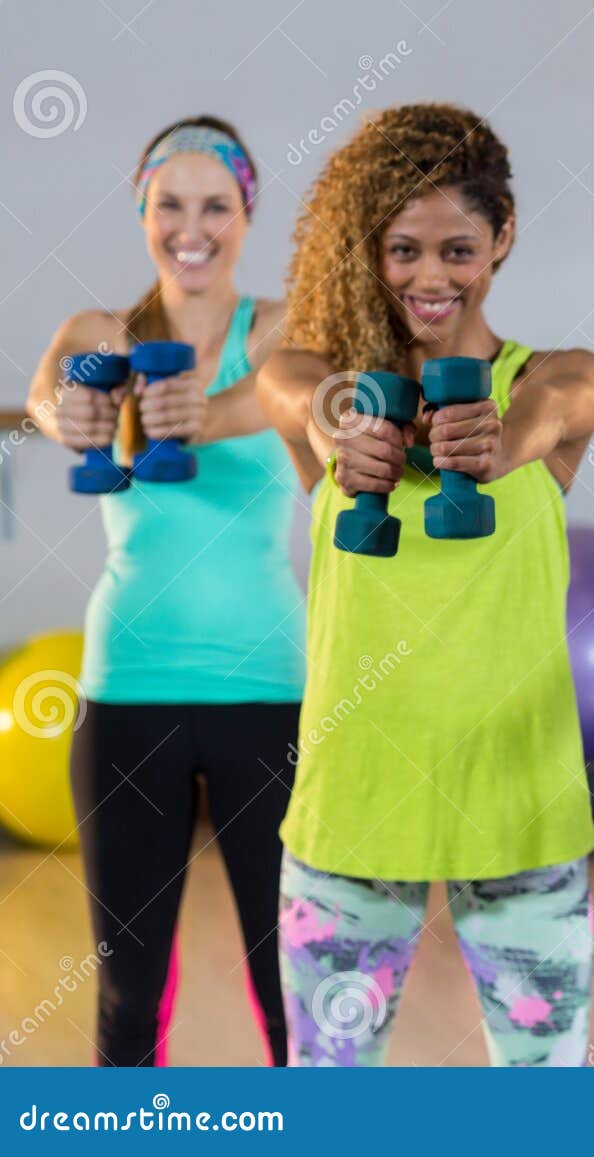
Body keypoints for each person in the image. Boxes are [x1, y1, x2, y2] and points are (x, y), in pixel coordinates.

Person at [258, 104, 594, 1066]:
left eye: (458, 248)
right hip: (354, 806)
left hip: (521, 801)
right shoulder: (315, 380)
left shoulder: (554, 380)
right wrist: (342, 431)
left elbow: (563, 401)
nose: (429, 276)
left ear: (501, 238)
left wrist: (502, 439)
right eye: (401, 249)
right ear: (366, 249)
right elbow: (293, 387)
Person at [25, 115, 300, 1066]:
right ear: (142, 209)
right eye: (170, 203)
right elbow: (47, 394)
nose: (193, 227)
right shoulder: (103, 334)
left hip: (270, 693)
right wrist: (73, 409)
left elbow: (313, 392)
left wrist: (210, 413)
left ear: (245, 214)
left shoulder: (284, 331)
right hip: (127, 688)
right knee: (128, 991)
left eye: (215, 204)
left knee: (293, 987)